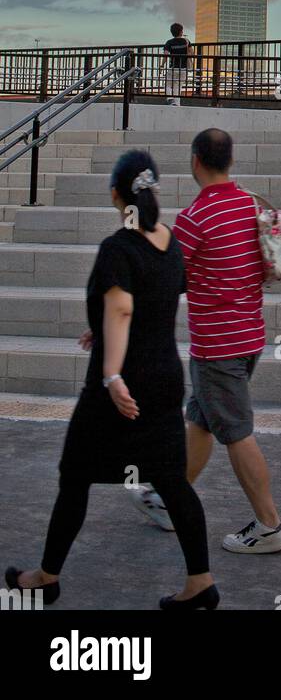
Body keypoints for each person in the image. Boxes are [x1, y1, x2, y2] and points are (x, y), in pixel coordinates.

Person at [5, 150, 218, 609]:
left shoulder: (118, 246)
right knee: (173, 484)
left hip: (122, 386)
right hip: (165, 377)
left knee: (74, 476)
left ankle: (45, 578)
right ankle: (201, 582)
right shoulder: (169, 240)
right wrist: (99, 325)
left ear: (116, 194)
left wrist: (112, 375)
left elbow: (123, 308)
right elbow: (147, 300)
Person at [130, 128, 281, 555]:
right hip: (249, 335)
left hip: (218, 344)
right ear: (230, 161)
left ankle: (270, 524)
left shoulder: (195, 217)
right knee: (201, 420)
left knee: (236, 432)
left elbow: (167, 277)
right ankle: (169, 498)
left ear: (196, 160)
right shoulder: (249, 204)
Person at [163, 22, 190, 106]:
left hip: (173, 67)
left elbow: (165, 55)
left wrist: (161, 65)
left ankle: (170, 99)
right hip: (183, 68)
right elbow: (191, 53)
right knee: (178, 87)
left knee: (167, 84)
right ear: (181, 32)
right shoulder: (186, 41)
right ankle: (177, 104)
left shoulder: (169, 42)